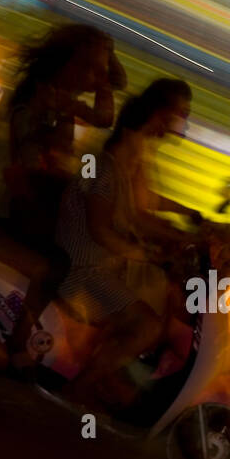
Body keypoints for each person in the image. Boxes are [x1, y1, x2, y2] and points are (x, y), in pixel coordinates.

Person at [0, 24, 127, 368]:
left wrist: (105, 59)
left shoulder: (63, 98)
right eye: (88, 68)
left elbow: (107, 111)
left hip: (51, 195)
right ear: (68, 63)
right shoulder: (41, 99)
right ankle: (17, 345)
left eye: (98, 70)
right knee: (62, 263)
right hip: (27, 200)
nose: (95, 78)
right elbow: (32, 162)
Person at [53, 79, 200, 410]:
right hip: (83, 267)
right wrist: (147, 254)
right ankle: (84, 385)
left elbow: (139, 210)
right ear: (161, 114)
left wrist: (190, 227)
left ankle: (108, 367)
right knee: (147, 323)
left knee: (166, 296)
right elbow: (103, 230)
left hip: (104, 261)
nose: (185, 123)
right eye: (183, 114)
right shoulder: (109, 164)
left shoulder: (133, 152)